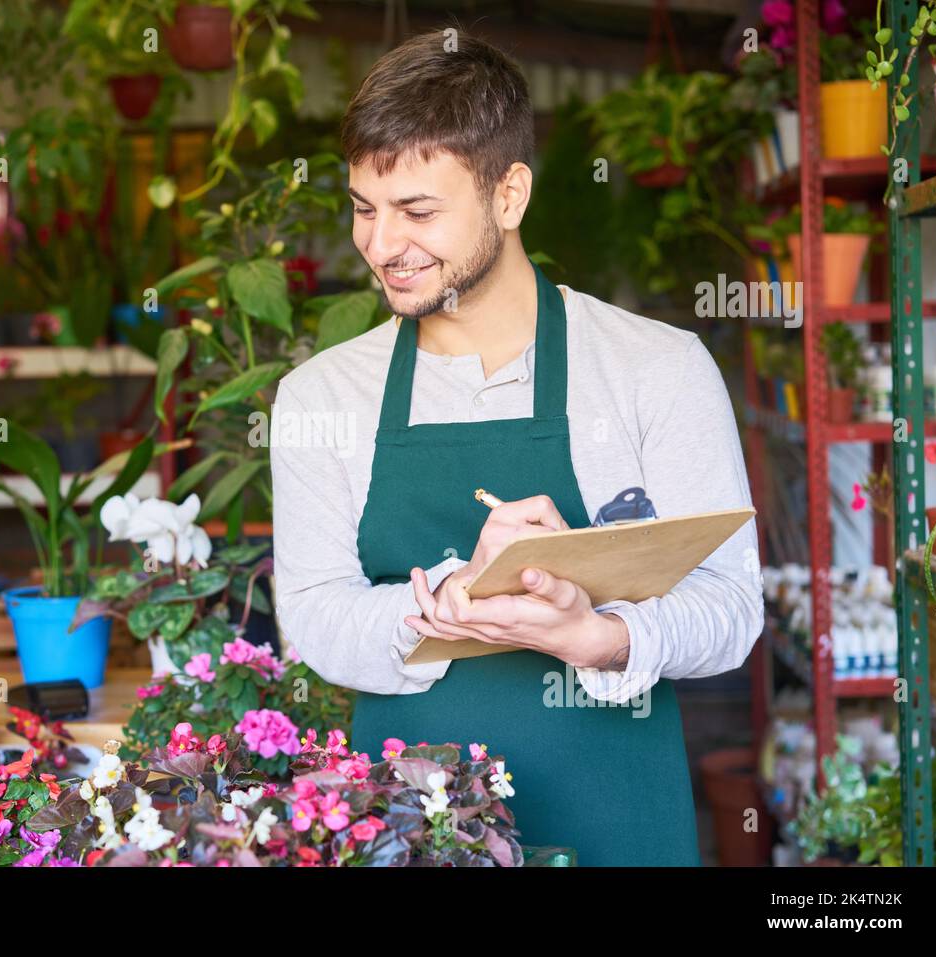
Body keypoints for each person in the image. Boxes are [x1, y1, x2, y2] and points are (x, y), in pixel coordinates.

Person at [269, 32, 763, 866]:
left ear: (510, 194)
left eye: (418, 211)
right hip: (408, 829)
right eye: (363, 206)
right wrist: (449, 603)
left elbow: (731, 608)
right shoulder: (323, 395)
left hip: (617, 817)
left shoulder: (656, 369)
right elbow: (313, 616)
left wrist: (597, 635)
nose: (381, 245)